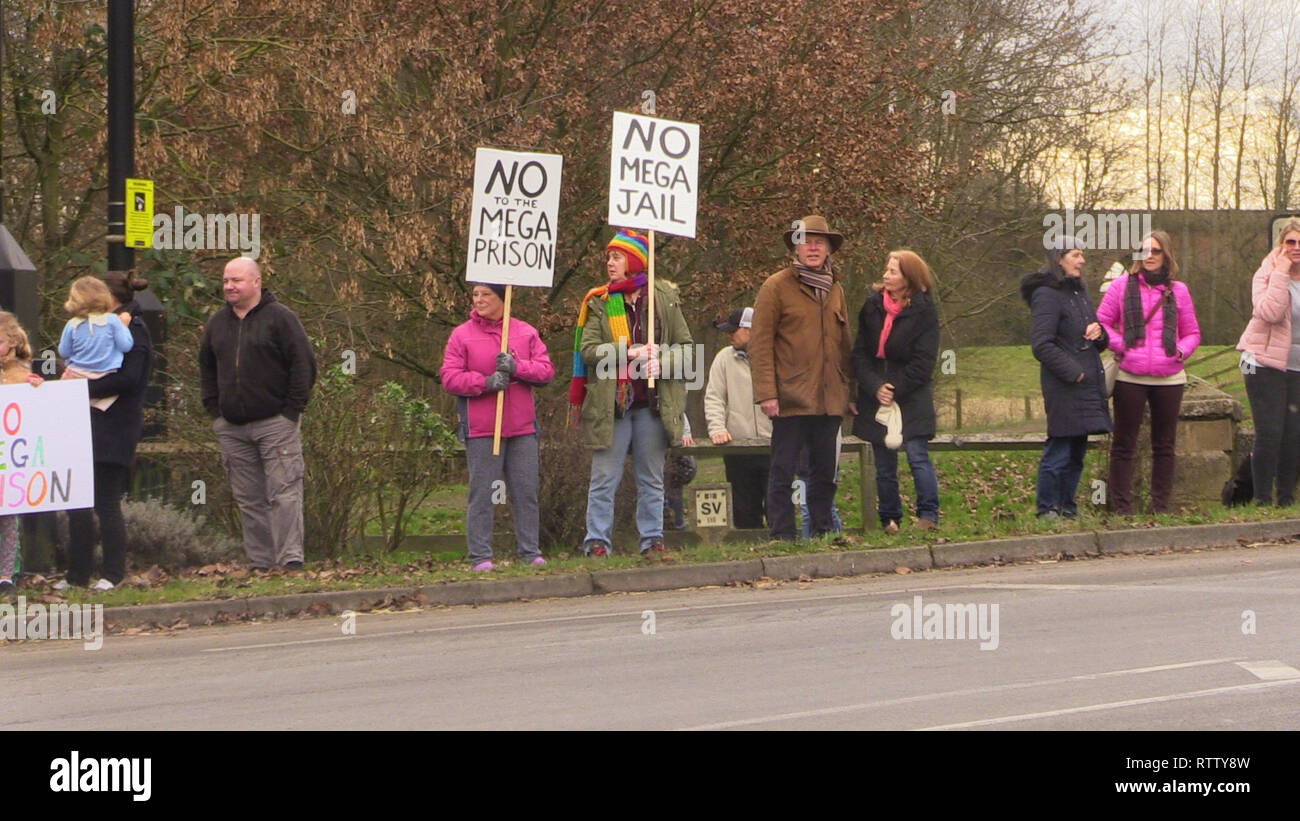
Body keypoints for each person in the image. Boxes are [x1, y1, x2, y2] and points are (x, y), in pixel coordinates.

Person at [570, 228, 693, 558]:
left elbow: (687, 350)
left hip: (652, 405)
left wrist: (663, 363)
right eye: (609, 257)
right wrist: (628, 352)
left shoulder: (663, 299)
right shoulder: (599, 302)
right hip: (613, 406)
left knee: (651, 479)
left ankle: (652, 540)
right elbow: (589, 351)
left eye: (617, 256)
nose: (610, 263)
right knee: (604, 479)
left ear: (635, 260)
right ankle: (597, 542)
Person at [199, 258, 317, 571]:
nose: (229, 286)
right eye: (225, 280)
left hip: (276, 424)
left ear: (256, 282)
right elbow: (206, 368)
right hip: (232, 427)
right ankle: (261, 563)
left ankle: (290, 560)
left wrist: (291, 411)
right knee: (248, 499)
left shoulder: (281, 319)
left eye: (236, 280)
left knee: (284, 493)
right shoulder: (216, 324)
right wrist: (215, 411)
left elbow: (303, 364)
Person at [749, 215, 854, 540]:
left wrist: (851, 393)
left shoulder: (835, 287)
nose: (812, 247)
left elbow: (844, 343)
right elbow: (760, 343)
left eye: (819, 242)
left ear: (828, 249)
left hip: (829, 397)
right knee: (782, 470)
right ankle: (783, 536)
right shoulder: (775, 286)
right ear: (795, 247)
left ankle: (823, 532)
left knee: (825, 472)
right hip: (790, 397)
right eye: (806, 241)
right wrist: (767, 393)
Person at [440, 283, 555, 571]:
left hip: (521, 428)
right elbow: (450, 377)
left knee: (525, 491)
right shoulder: (461, 335)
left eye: (486, 295)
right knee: (483, 492)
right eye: (476, 295)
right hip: (481, 429)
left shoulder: (525, 332)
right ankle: (480, 556)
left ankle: (530, 552)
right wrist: (485, 383)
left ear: (502, 298)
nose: (478, 300)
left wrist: (518, 368)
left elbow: (546, 371)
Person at [58, 273, 155, 591]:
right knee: (77, 504)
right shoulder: (86, 329)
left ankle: (112, 573)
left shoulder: (134, 331)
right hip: (83, 423)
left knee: (106, 501)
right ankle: (76, 575)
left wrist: (80, 386)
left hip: (114, 426)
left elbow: (129, 380)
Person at [1096, 231, 1201, 515]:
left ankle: (1160, 508)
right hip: (1130, 374)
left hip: (1170, 377)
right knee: (1123, 444)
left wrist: (1179, 352)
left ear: (1166, 255)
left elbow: (1192, 332)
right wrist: (1122, 345)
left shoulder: (1179, 290)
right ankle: (1123, 509)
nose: (1150, 256)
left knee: (1165, 445)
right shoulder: (1121, 287)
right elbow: (1101, 323)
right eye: (1144, 250)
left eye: (1156, 251)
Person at [1020, 236, 1113, 519]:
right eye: (1076, 254)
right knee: (1059, 449)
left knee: (1076, 453)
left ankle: (1068, 508)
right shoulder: (1046, 294)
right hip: (1065, 385)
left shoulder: (1078, 293)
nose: (1082, 260)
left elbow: (1092, 337)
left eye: (1082, 254)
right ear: (1059, 258)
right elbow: (1042, 344)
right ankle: (1047, 509)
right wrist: (1074, 373)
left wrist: (1100, 334)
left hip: (1086, 385)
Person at [852, 250, 941, 532]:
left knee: (917, 455)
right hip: (876, 394)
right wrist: (875, 387)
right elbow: (860, 353)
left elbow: (924, 361)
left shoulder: (924, 310)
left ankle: (928, 516)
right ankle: (890, 519)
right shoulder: (871, 306)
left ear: (908, 278)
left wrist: (896, 388)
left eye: (892, 271)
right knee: (883, 463)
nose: (885, 275)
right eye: (886, 270)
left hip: (911, 395)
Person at [1235, 218, 1300, 505]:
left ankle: (1286, 498)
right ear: (1281, 244)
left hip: (1296, 366)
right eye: (1291, 242)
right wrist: (1282, 273)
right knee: (1270, 431)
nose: (1296, 248)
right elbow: (1270, 312)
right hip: (1260, 362)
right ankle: (1261, 500)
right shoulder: (1266, 272)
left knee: (1293, 434)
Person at [704, 307, 771, 529]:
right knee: (744, 508)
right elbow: (714, 397)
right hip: (737, 447)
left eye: (734, 330)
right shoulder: (724, 358)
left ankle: (781, 548)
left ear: (751, 329)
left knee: (777, 503)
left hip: (774, 444)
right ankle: (750, 553)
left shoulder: (778, 354)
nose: (730, 335)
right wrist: (716, 428)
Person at [0, 312, 44, 594]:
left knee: (8, 518)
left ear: (14, 342)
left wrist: (39, 390)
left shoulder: (23, 376)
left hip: (9, 462)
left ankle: (6, 574)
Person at [57, 276, 134, 411]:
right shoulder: (112, 321)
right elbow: (126, 346)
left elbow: (64, 351)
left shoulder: (72, 324)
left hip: (78, 375)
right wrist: (124, 327)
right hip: (105, 374)